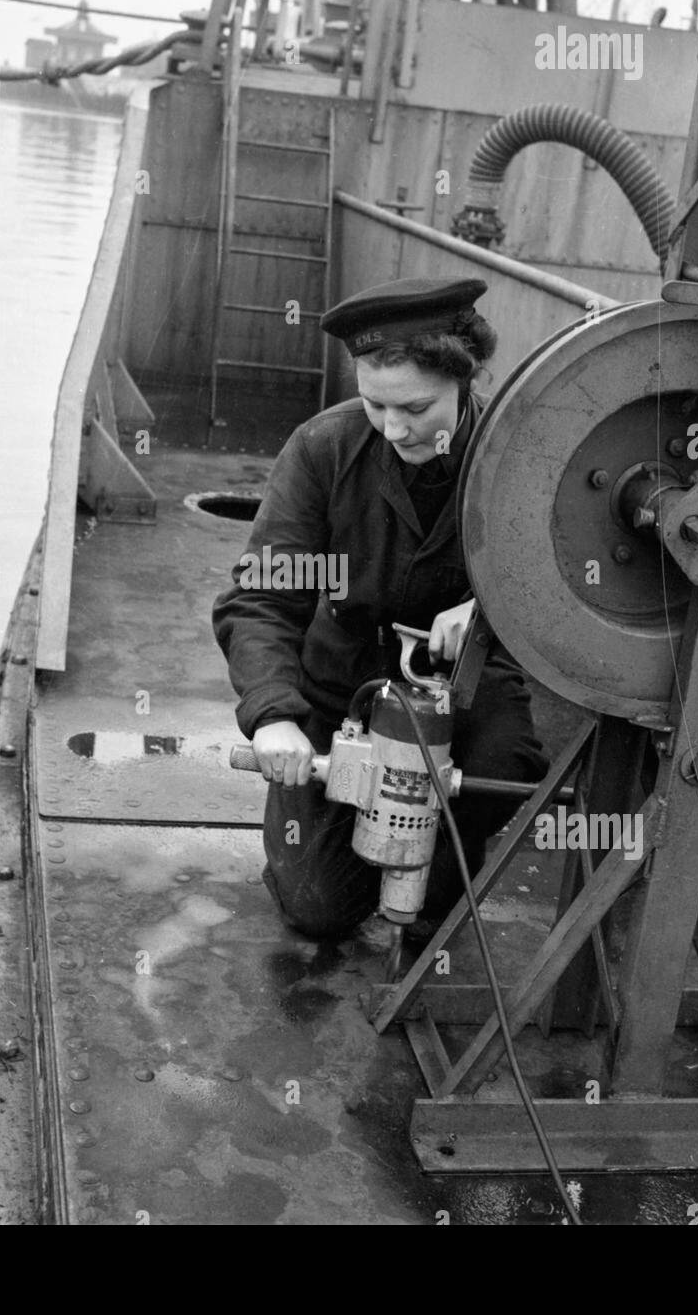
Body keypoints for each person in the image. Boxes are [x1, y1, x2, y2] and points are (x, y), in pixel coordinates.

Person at [212, 276, 548, 940]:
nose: (394, 429)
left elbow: (564, 577)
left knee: (492, 790)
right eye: (375, 406)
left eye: (417, 409)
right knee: (320, 909)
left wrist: (489, 608)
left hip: (465, 689)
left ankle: (442, 860)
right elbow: (262, 599)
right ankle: (328, 837)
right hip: (342, 691)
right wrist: (274, 717)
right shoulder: (323, 450)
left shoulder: (520, 458)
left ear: (467, 378)